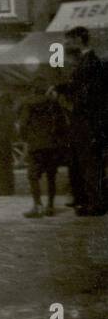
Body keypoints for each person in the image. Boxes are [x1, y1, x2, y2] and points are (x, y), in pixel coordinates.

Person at [55, 26, 106, 215]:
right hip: (84, 123)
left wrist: (71, 106)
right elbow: (75, 84)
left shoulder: (90, 63)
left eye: (68, 41)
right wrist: (59, 88)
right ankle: (86, 200)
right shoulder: (85, 61)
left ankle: (96, 204)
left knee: (90, 164)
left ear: (78, 40)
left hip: (88, 123)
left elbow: (89, 95)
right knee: (83, 163)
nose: (65, 44)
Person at [17, 84, 66, 218]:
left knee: (33, 176)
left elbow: (22, 124)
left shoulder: (28, 104)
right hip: (51, 145)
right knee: (51, 176)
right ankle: (50, 206)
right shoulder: (53, 104)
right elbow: (62, 123)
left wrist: (26, 138)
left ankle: (37, 206)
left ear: (33, 90)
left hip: (35, 145)